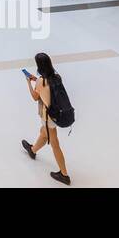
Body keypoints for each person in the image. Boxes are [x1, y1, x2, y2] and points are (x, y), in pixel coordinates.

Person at [22, 52, 71, 185]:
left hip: (48, 116)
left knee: (54, 144)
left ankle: (64, 174)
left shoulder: (40, 81)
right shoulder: (56, 77)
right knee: (43, 134)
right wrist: (35, 79)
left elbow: (35, 97)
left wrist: (29, 82)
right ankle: (32, 150)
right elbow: (47, 89)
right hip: (56, 113)